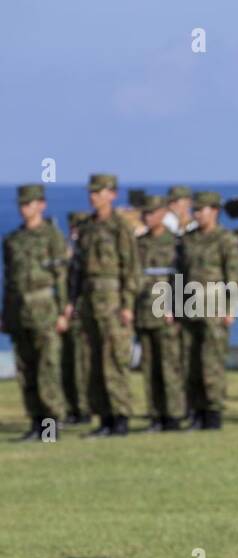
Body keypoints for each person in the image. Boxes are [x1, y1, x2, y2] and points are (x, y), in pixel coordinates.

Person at [71, 173, 138, 438]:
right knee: (93, 362)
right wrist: (72, 302)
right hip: (89, 302)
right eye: (92, 192)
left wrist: (128, 304)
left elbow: (131, 269)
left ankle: (120, 417)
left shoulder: (120, 227)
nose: (94, 197)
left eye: (99, 192)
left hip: (113, 301)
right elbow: (76, 270)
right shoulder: (86, 227)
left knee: (114, 361)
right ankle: (104, 418)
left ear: (112, 194)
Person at [3, 184, 69, 439]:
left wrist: (63, 310)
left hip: (45, 310)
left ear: (41, 205)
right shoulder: (13, 240)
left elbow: (61, 276)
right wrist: (5, 313)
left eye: (30, 204)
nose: (25, 209)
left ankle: (51, 427)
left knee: (48, 368)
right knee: (26, 370)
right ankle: (36, 423)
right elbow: (10, 280)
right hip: (20, 311)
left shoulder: (52, 237)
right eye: (22, 204)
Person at [178, 191, 238, 430]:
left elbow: (234, 275)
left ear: (214, 211)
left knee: (211, 363)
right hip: (190, 308)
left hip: (215, 309)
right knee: (191, 362)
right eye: (195, 209)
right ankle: (196, 411)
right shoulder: (188, 239)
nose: (197, 214)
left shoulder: (225, 239)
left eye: (202, 209)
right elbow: (180, 274)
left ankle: (213, 413)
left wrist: (231, 308)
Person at [134, 196, 184, 431]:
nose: (148, 217)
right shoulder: (138, 244)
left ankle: (173, 415)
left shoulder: (175, 243)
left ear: (163, 213)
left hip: (166, 313)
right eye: (145, 213)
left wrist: (176, 307)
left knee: (170, 366)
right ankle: (155, 415)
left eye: (152, 212)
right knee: (150, 367)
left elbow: (182, 278)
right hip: (144, 312)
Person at [61, 212, 92, 423]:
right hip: (67, 311)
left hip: (82, 311)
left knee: (82, 363)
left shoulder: (86, 254)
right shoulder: (69, 252)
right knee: (67, 362)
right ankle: (72, 407)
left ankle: (83, 409)